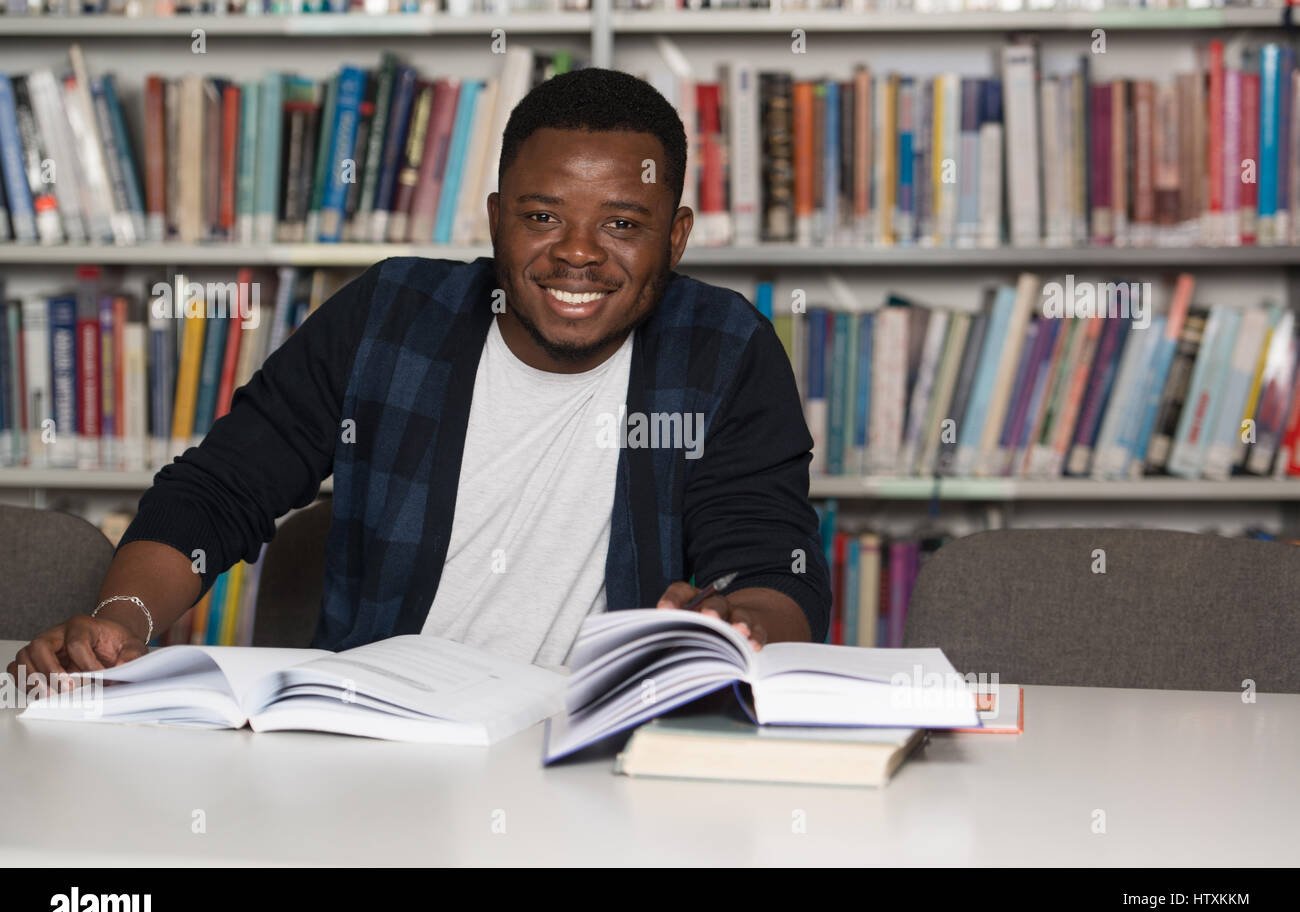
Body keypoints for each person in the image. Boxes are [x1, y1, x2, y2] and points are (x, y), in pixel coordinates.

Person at [7, 67, 830, 687]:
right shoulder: (391, 312)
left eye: (623, 223)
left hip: (608, 750)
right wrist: (120, 626)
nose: (578, 252)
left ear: (677, 237)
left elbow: (770, 569)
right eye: (542, 215)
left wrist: (734, 624)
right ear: (496, 214)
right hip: (376, 739)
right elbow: (220, 489)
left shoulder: (725, 348)